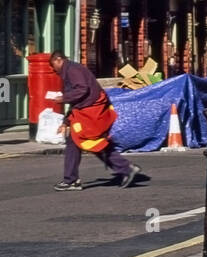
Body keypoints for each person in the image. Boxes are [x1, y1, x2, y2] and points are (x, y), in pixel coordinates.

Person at [49, 50, 141, 191]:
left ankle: (72, 180)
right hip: (86, 111)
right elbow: (77, 100)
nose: (53, 69)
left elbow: (82, 90)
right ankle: (125, 168)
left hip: (91, 112)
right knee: (85, 142)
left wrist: (63, 98)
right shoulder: (71, 69)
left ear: (58, 60)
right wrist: (66, 122)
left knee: (91, 142)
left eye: (52, 65)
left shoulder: (72, 70)